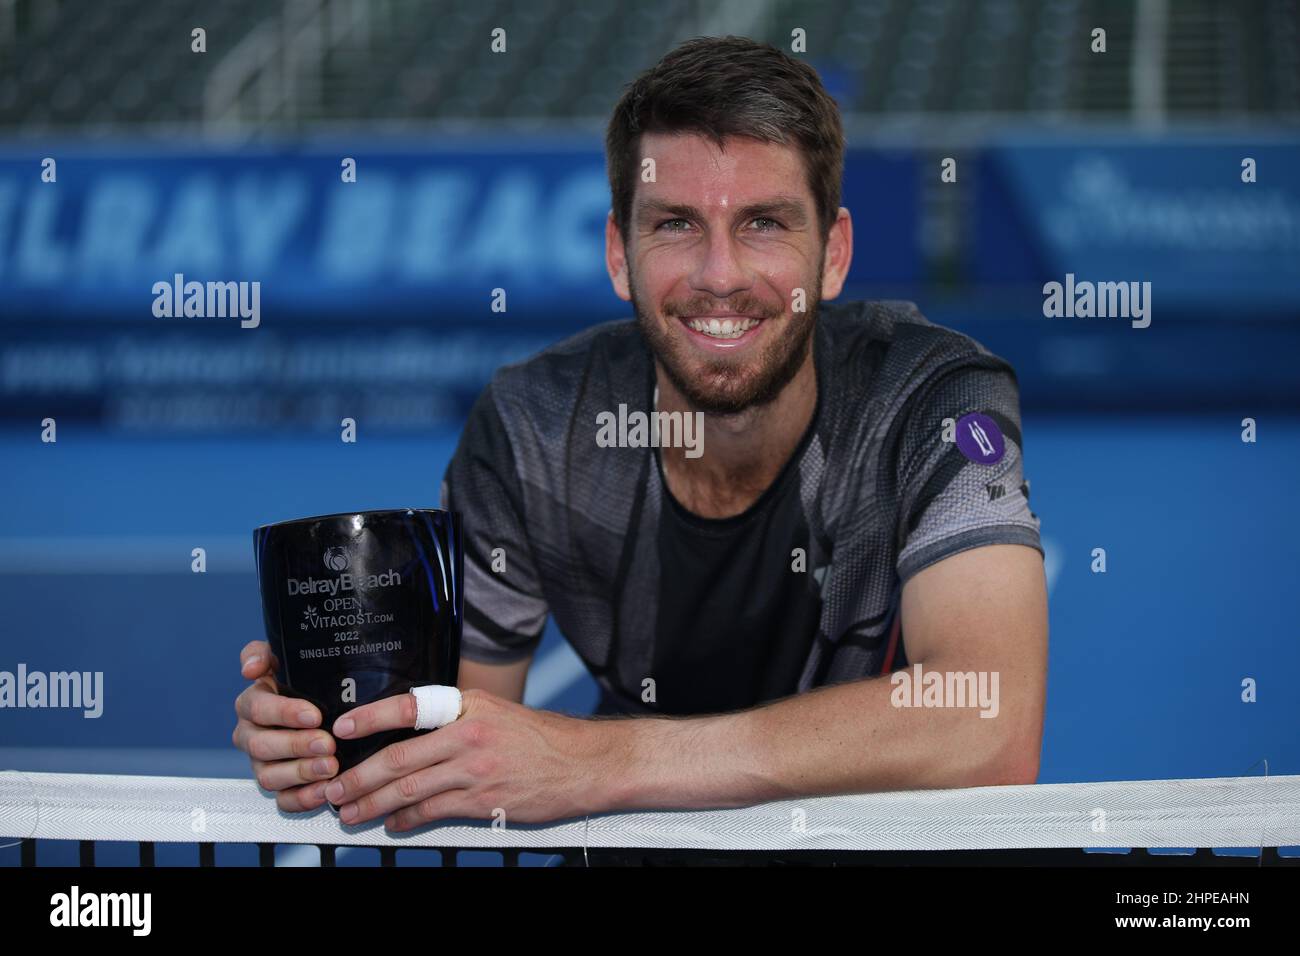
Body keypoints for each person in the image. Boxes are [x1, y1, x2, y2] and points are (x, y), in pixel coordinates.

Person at [233, 36, 1047, 830]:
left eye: (764, 223)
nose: (721, 275)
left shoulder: (933, 397)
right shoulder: (532, 427)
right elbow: (456, 725)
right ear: (620, 255)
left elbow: (990, 724)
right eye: (676, 226)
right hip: (638, 848)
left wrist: (597, 764)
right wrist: (330, 731)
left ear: (832, 256)